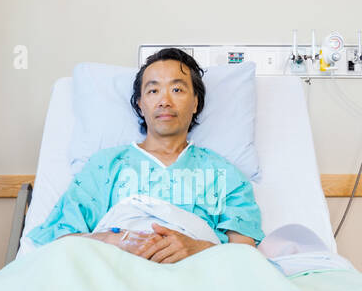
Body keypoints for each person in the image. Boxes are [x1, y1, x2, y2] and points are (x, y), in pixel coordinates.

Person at [25, 48, 264, 263]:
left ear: (195, 103)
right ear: (140, 104)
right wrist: (113, 241)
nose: (164, 101)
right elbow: (61, 243)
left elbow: (244, 258)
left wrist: (197, 248)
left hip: (195, 281)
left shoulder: (224, 175)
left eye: (177, 89)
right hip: (114, 274)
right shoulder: (104, 167)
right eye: (153, 90)